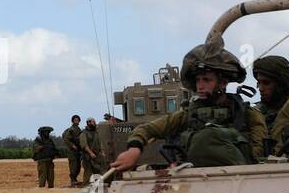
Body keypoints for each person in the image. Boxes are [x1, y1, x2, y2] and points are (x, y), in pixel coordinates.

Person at [109, 44, 265, 172]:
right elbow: (147, 129)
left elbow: (260, 160)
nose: (200, 86)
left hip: (241, 181)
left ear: (223, 83)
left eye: (206, 80)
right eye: (198, 80)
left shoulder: (246, 115)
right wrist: (134, 150)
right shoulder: (188, 114)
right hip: (193, 181)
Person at [252, 56, 289, 154]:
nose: (260, 88)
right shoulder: (255, 112)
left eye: (266, 83)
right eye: (258, 83)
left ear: (281, 85)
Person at [80, 116, 105, 181]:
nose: (94, 123)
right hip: (87, 156)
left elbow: (100, 143)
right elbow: (84, 145)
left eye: (94, 122)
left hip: (96, 156)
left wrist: (102, 151)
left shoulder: (96, 133)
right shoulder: (84, 133)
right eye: (93, 122)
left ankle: (98, 186)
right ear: (88, 123)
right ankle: (86, 185)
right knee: (88, 172)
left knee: (98, 172)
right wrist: (90, 153)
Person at [61, 116, 83, 186]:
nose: (76, 121)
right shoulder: (71, 129)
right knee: (73, 166)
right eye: (75, 120)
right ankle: (73, 180)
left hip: (77, 151)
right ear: (72, 121)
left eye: (77, 120)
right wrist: (72, 145)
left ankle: (75, 179)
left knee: (78, 166)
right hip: (72, 151)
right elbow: (66, 138)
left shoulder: (78, 129)